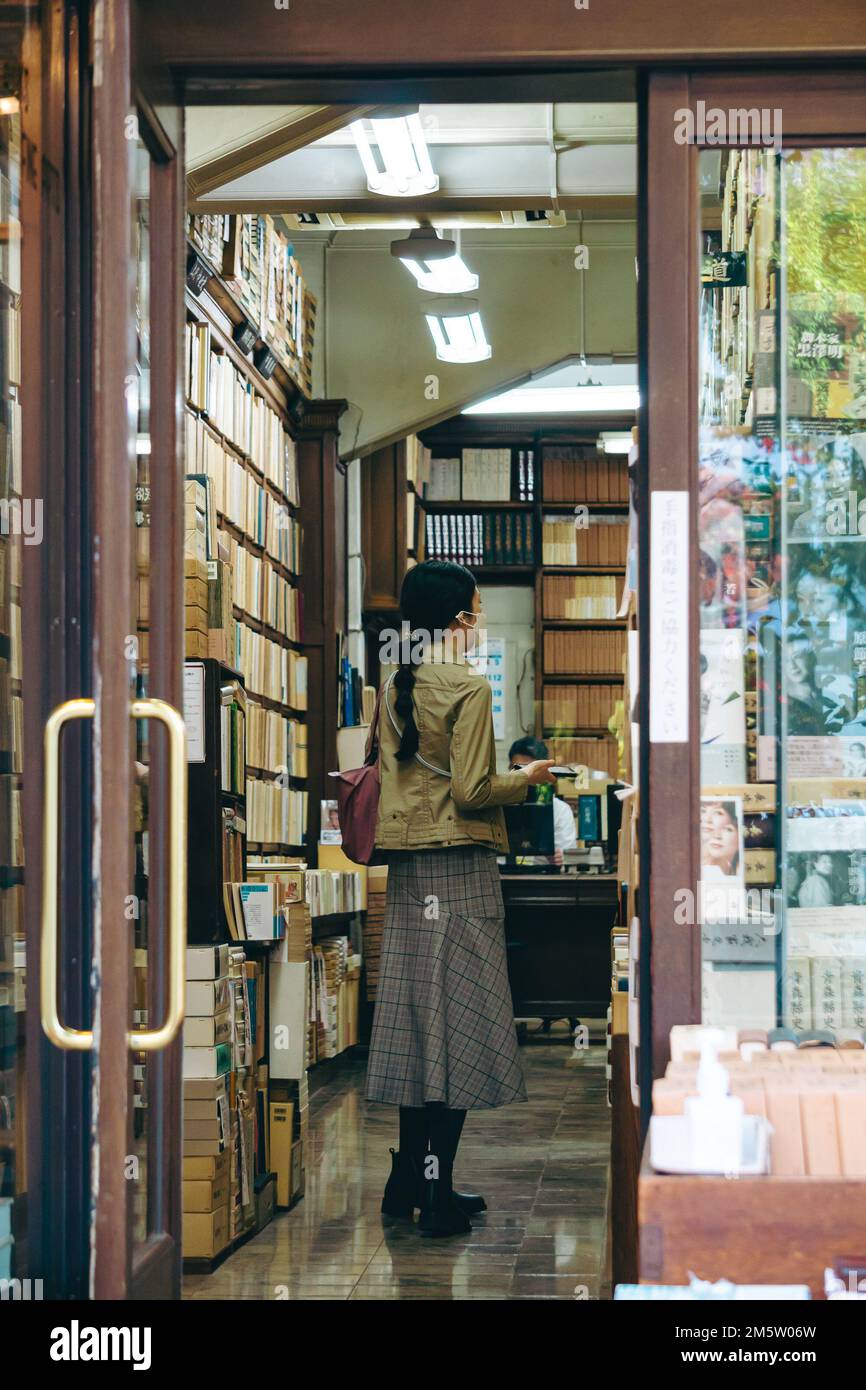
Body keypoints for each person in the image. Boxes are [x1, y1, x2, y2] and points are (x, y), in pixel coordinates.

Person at [366, 560, 555, 1237]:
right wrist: (527, 778)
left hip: (409, 872)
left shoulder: (395, 683)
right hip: (460, 867)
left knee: (419, 1025)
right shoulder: (470, 689)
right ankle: (436, 1195)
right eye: (475, 612)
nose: (478, 625)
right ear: (456, 622)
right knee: (463, 1028)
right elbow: (474, 792)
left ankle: (405, 1180)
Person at [507, 736, 578, 866]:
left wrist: (561, 858)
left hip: (545, 880)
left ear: (545, 772)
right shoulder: (498, 806)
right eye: (518, 770)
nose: (524, 777)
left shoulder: (560, 810)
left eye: (530, 771)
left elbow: (567, 858)